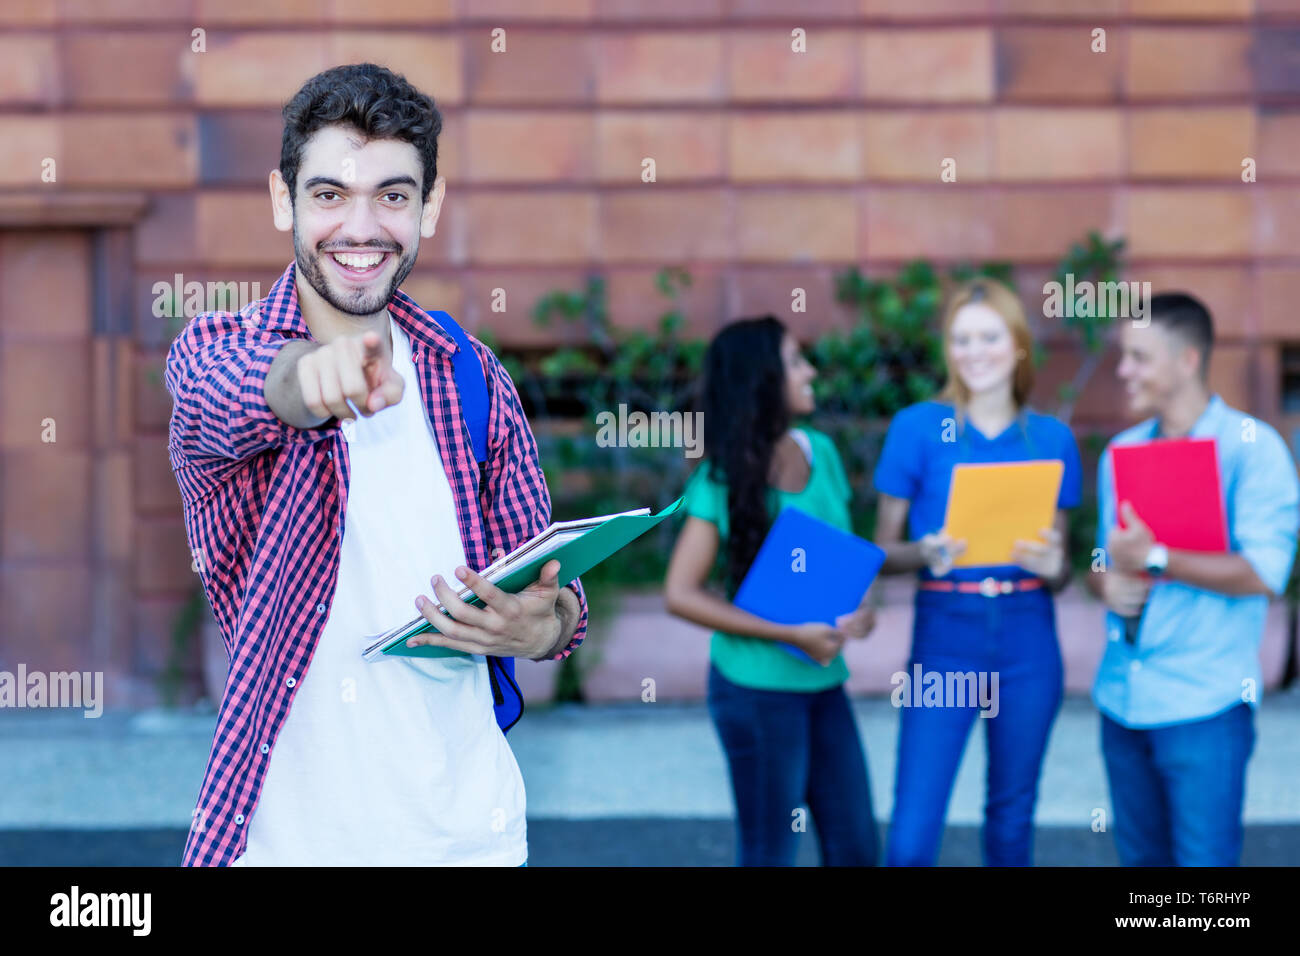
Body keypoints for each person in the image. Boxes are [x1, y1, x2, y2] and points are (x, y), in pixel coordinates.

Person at [165, 63, 588, 867]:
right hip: (288, 846)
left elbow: (554, 589)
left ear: (428, 207)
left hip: (472, 841)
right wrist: (308, 381)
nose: (361, 227)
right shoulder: (217, 354)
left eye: (392, 196)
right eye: (329, 195)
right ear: (283, 199)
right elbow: (238, 393)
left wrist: (546, 626)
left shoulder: (472, 374)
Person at [873, 278, 1081, 866]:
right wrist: (926, 551)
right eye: (960, 339)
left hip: (1027, 634)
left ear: (1017, 345)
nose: (974, 352)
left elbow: (1062, 570)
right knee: (913, 830)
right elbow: (881, 552)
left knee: (1012, 822)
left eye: (989, 336)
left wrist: (1054, 565)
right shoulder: (916, 428)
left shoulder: (1052, 438)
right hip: (946, 631)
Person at [1090, 292, 1299, 867]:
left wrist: (1157, 557)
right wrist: (1106, 580)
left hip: (1204, 708)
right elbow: (1103, 558)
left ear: (1186, 360)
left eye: (1139, 356)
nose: (1123, 370)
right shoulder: (1121, 453)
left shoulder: (1253, 450)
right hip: (1122, 702)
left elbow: (1264, 572)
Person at [664, 315, 879, 867]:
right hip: (754, 693)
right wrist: (789, 633)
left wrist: (859, 613)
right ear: (762, 379)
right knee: (770, 854)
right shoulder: (719, 476)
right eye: (795, 361)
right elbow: (681, 593)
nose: (810, 371)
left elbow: (843, 570)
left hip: (823, 683)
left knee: (856, 848)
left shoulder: (822, 452)